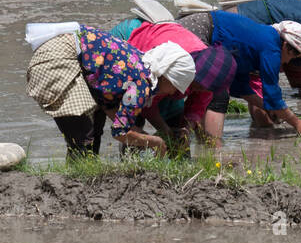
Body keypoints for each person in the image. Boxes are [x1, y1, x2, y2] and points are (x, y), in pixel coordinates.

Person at [24, 23, 195, 159]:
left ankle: (81, 181)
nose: (173, 93)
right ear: (167, 76)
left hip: (63, 50)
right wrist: (154, 142)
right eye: (174, 86)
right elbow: (119, 133)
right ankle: (75, 188)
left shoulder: (140, 66)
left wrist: (141, 136)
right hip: (58, 57)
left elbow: (109, 107)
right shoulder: (142, 83)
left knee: (93, 128)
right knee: (83, 135)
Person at [176, 9, 301, 136]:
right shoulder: (272, 47)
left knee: (209, 88)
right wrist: (297, 123)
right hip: (200, 29)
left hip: (197, 26)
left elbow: (241, 88)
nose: (287, 63)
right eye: (291, 57)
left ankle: (192, 138)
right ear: (286, 45)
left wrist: (269, 108)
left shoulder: (260, 45)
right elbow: (272, 94)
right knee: (217, 90)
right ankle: (214, 149)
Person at [112, 19, 237, 149]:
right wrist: (165, 131)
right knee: (132, 122)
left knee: (176, 130)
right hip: (130, 40)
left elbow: (196, 107)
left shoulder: (207, 77)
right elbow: (148, 101)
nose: (198, 90)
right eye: (197, 85)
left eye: (203, 88)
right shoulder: (177, 64)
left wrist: (185, 130)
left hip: (161, 71)